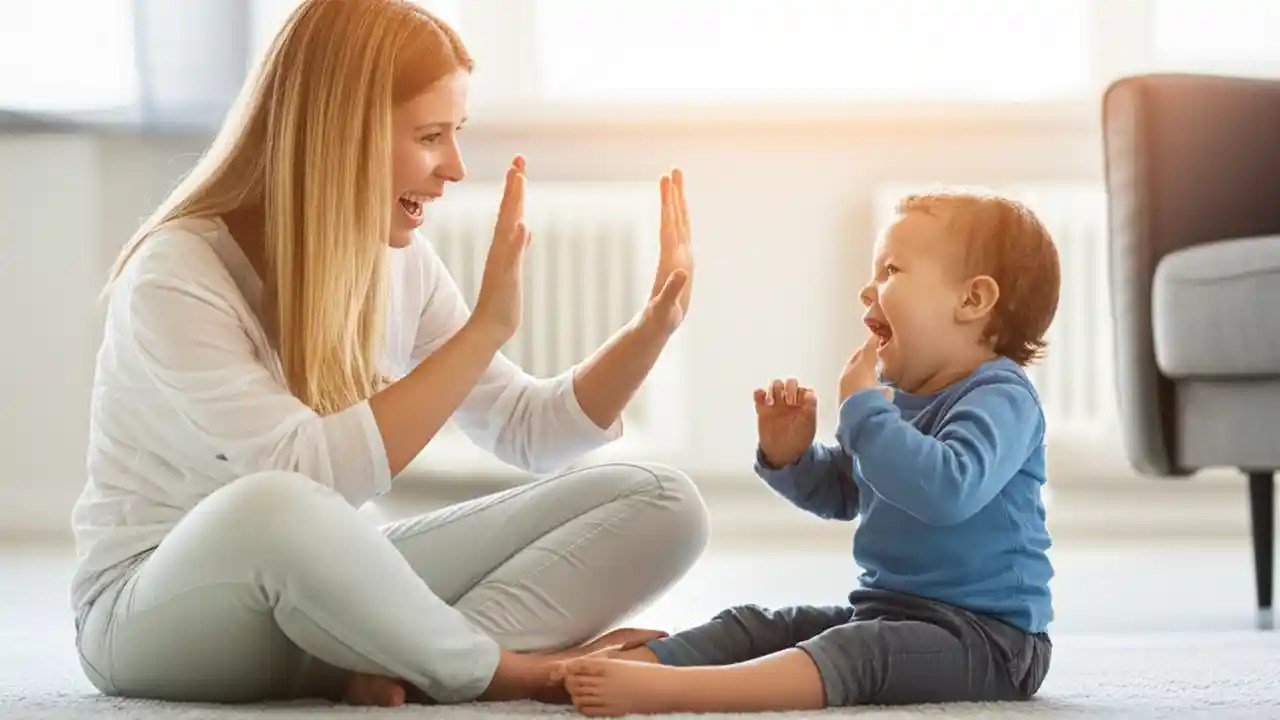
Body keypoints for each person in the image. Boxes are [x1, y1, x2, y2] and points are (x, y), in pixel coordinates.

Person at [71, 0, 708, 707]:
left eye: (456, 133)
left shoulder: (401, 264)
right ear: (340, 134)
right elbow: (301, 475)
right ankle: (495, 669)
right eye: (431, 136)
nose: (455, 168)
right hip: (156, 612)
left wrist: (652, 328)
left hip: (328, 597)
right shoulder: (177, 273)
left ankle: (405, 663)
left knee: (664, 501)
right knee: (274, 504)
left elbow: (532, 430)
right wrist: (482, 333)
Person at [561, 192, 1060, 715]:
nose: (867, 289)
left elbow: (946, 489)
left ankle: (675, 692)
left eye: (891, 270)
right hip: (888, 611)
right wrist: (791, 456)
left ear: (973, 300)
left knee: (857, 652)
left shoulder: (1002, 398)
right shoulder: (895, 404)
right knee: (760, 627)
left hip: (990, 640)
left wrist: (864, 410)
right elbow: (846, 492)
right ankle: (632, 663)